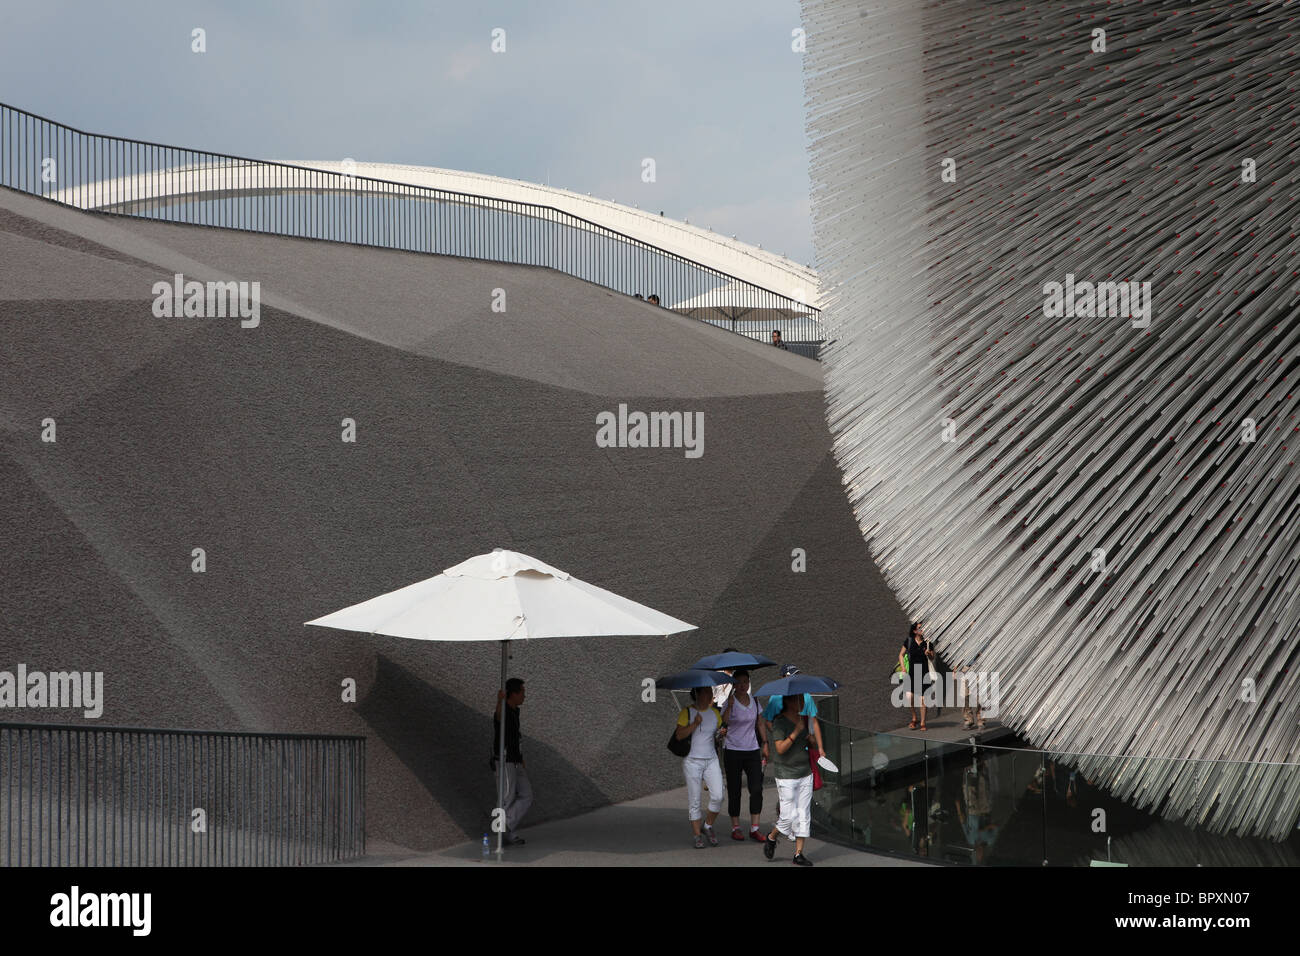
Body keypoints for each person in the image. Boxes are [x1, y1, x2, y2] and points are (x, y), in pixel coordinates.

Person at [763, 691, 815, 865]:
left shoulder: (802, 719)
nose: (802, 701)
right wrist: (796, 731)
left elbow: (808, 743)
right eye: (799, 699)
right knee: (788, 816)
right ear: (790, 701)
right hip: (786, 775)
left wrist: (810, 739)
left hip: (805, 772)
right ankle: (772, 837)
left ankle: (798, 854)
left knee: (803, 815)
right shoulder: (779, 722)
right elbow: (780, 749)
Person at [674, 686, 726, 847]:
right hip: (692, 761)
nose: (710, 695)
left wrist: (720, 734)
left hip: (711, 759)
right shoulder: (687, 712)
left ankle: (707, 826)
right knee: (695, 800)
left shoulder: (715, 713)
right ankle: (697, 835)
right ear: (697, 694)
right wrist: (694, 724)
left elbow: (715, 736)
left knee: (719, 795)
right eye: (706, 692)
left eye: (711, 692)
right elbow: (679, 735)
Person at [721, 669, 768, 842]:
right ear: (734, 684)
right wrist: (730, 706)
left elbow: (760, 723)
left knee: (756, 788)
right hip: (733, 751)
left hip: (752, 750)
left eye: (745, 682)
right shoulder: (729, 701)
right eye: (739, 682)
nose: (743, 685)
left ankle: (755, 828)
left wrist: (766, 743)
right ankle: (736, 827)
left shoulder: (755, 700)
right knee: (735, 791)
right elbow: (723, 723)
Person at [492, 678, 532, 846]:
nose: (525, 696)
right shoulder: (505, 710)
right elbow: (499, 717)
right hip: (505, 760)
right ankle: (504, 833)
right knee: (506, 797)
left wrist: (521, 757)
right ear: (513, 694)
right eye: (522, 692)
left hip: (516, 760)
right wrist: (499, 701)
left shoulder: (516, 711)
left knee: (527, 795)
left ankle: (506, 825)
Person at [899, 622, 934, 730]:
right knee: (909, 698)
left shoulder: (928, 642)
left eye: (923, 628)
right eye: (920, 628)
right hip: (912, 673)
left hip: (924, 673)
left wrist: (929, 654)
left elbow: (933, 658)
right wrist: (903, 667)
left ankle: (923, 722)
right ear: (915, 631)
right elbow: (901, 654)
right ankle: (914, 717)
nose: (922, 629)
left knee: (923, 699)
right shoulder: (909, 641)